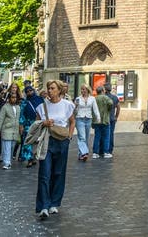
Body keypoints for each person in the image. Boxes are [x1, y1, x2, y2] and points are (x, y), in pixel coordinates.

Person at [35, 79, 75, 219]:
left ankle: (54, 203)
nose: (50, 91)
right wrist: (43, 123)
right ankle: (43, 206)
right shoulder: (41, 107)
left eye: (52, 88)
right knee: (45, 174)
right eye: (48, 88)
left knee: (58, 173)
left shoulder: (67, 105)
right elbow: (36, 125)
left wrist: (69, 137)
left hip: (62, 142)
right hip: (47, 142)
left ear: (59, 90)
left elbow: (72, 121)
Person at [0, 82, 22, 169]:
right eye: (12, 97)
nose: (14, 99)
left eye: (15, 97)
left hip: (15, 131)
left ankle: (8, 160)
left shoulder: (18, 107)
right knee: (7, 147)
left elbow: (19, 119)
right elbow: (0, 119)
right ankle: (7, 163)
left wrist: (20, 128)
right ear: (9, 98)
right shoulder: (5, 107)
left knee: (11, 147)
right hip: (6, 129)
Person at [74, 84, 100, 161]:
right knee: (82, 137)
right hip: (79, 119)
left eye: (84, 89)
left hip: (88, 119)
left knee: (86, 138)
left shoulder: (92, 99)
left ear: (88, 90)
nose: (82, 91)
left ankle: (81, 154)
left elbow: (95, 109)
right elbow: (74, 111)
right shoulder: (78, 99)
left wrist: (98, 117)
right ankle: (85, 153)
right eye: (81, 89)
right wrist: (75, 106)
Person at [20, 85, 44, 167]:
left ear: (33, 91)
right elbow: (22, 114)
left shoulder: (40, 99)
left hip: (39, 123)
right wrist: (21, 125)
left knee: (37, 141)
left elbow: (44, 110)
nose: (30, 92)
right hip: (28, 124)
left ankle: (34, 157)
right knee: (28, 140)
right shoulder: (24, 102)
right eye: (27, 91)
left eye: (31, 90)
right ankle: (29, 159)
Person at [92, 86, 113, 159]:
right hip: (105, 120)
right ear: (102, 91)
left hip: (97, 121)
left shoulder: (94, 98)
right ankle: (105, 152)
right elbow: (110, 103)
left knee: (97, 136)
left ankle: (95, 152)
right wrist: (108, 110)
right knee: (106, 137)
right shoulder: (105, 97)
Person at [105, 84, 120, 155]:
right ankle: (110, 150)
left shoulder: (103, 97)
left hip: (104, 119)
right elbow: (118, 107)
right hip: (112, 118)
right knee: (111, 134)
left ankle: (103, 149)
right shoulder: (114, 97)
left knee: (103, 134)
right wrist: (116, 117)